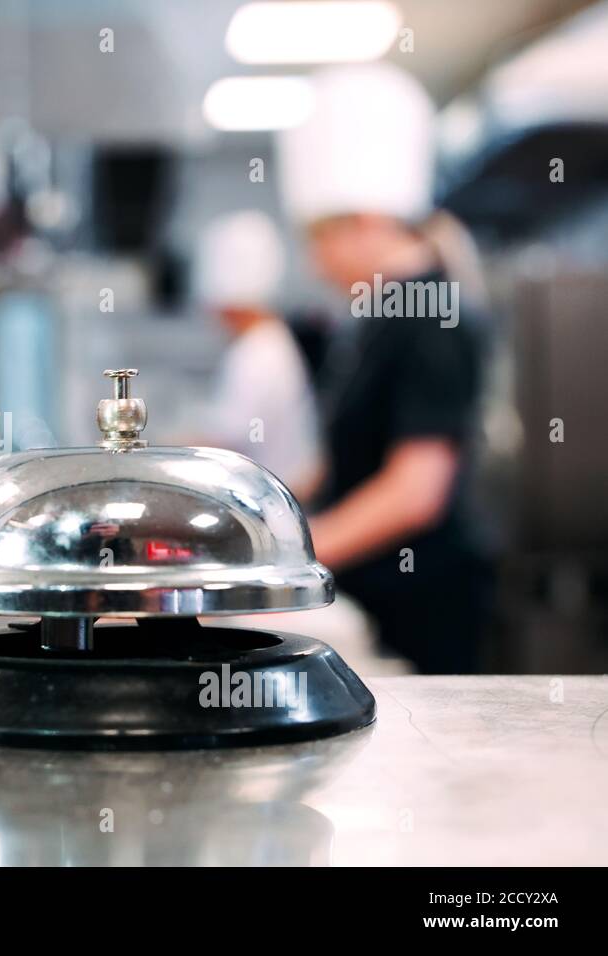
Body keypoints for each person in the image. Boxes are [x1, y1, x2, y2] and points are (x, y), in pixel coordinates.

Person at [278, 63, 492, 673]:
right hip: (380, 594)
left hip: (423, 603)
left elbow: (414, 493)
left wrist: (294, 561)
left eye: (320, 242)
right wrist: (266, 513)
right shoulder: (381, 316)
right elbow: (347, 454)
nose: (317, 266)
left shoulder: (432, 312)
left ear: (366, 222)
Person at [193, 210, 321, 496]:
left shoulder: (257, 353)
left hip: (269, 500)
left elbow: (224, 441)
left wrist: (161, 450)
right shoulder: (269, 341)